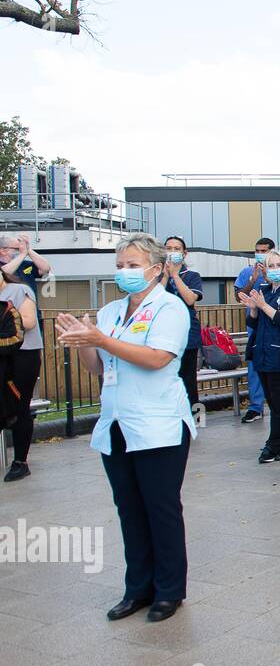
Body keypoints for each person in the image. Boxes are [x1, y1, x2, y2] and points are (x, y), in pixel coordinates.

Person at [55, 234, 196, 623]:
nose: (124, 272)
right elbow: (97, 367)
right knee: (129, 510)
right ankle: (138, 589)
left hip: (158, 425)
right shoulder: (111, 312)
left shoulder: (170, 308)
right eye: (120, 265)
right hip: (117, 424)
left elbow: (156, 358)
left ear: (156, 268)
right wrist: (84, 341)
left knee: (161, 508)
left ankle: (169, 591)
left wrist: (101, 339)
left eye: (133, 265)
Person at [240, 250, 280, 464]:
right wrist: (253, 310)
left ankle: (275, 445)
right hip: (262, 352)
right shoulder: (263, 290)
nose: (275, 270)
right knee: (276, 402)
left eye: (279, 265)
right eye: (271, 265)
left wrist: (264, 306)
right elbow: (254, 324)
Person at [0, 261, 41, 482]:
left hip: (23, 355)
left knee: (19, 405)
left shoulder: (18, 290)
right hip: (2, 355)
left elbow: (30, 321)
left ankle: (20, 462)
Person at [234, 237, 275, 424]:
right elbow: (239, 295)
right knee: (254, 366)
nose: (260, 254)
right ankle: (255, 407)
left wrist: (267, 276)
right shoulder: (246, 272)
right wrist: (254, 279)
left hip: (275, 325)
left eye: (264, 250)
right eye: (258, 250)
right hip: (255, 325)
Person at [162, 236, 204, 413]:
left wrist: (175, 276)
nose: (172, 252)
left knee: (188, 379)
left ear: (184, 253)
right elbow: (155, 296)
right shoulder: (157, 276)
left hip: (188, 335)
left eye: (176, 248)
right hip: (164, 333)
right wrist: (165, 275)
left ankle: (194, 418)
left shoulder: (192, 276)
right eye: (168, 248)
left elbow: (189, 298)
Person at [0, 233, 53, 317]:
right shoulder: (6, 266)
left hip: (32, 313)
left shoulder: (24, 264)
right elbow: (3, 273)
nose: (20, 250)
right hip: (8, 317)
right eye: (17, 248)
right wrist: (22, 254)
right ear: (3, 250)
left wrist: (28, 250)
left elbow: (45, 268)